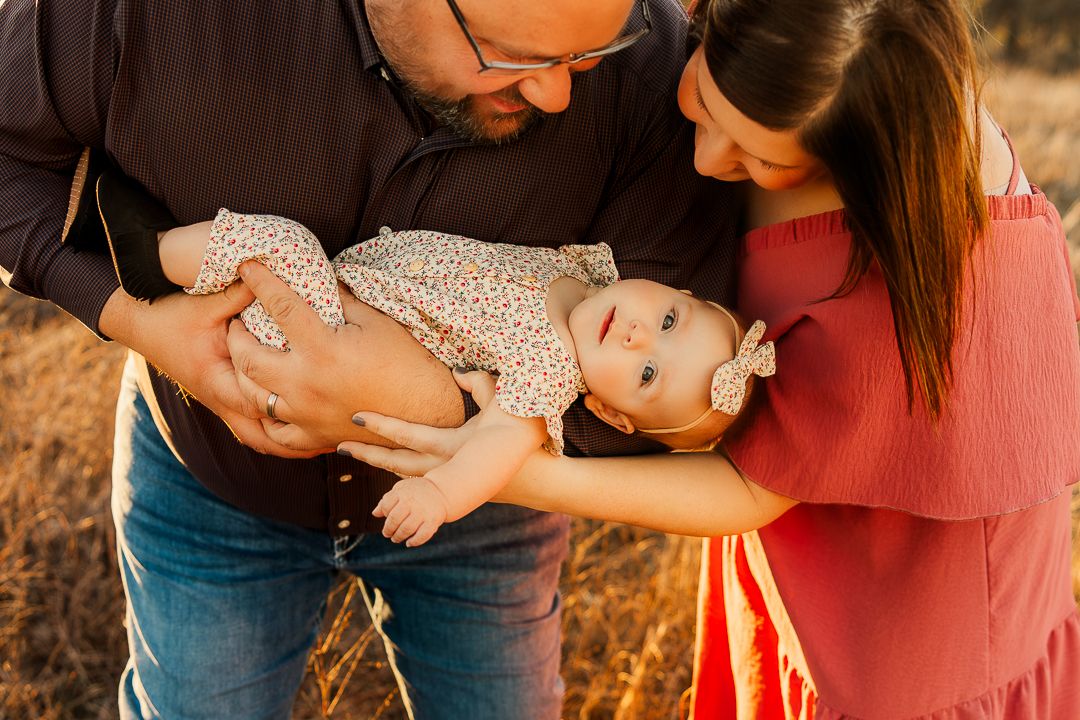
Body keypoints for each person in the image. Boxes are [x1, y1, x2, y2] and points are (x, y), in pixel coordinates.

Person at [339, 0, 1080, 716]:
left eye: (757, 158)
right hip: (794, 586)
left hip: (889, 646)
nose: (708, 155)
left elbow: (756, 484)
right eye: (704, 95)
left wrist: (516, 471)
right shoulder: (802, 64)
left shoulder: (920, 240)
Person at [0, 0, 739, 716]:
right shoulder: (148, 13)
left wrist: (434, 417)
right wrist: (143, 322)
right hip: (210, 479)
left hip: (482, 519)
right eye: (511, 55)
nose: (556, 92)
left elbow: (681, 388)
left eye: (583, 54)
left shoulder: (643, 68)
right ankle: (151, 254)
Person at [101, 208, 773, 546]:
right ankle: (159, 280)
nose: (637, 335)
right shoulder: (592, 272)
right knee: (271, 256)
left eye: (647, 371)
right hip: (354, 286)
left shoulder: (549, 375)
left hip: (324, 328)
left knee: (280, 245)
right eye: (671, 319)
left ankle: (144, 256)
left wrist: (442, 496)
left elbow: (495, 452)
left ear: (613, 414)